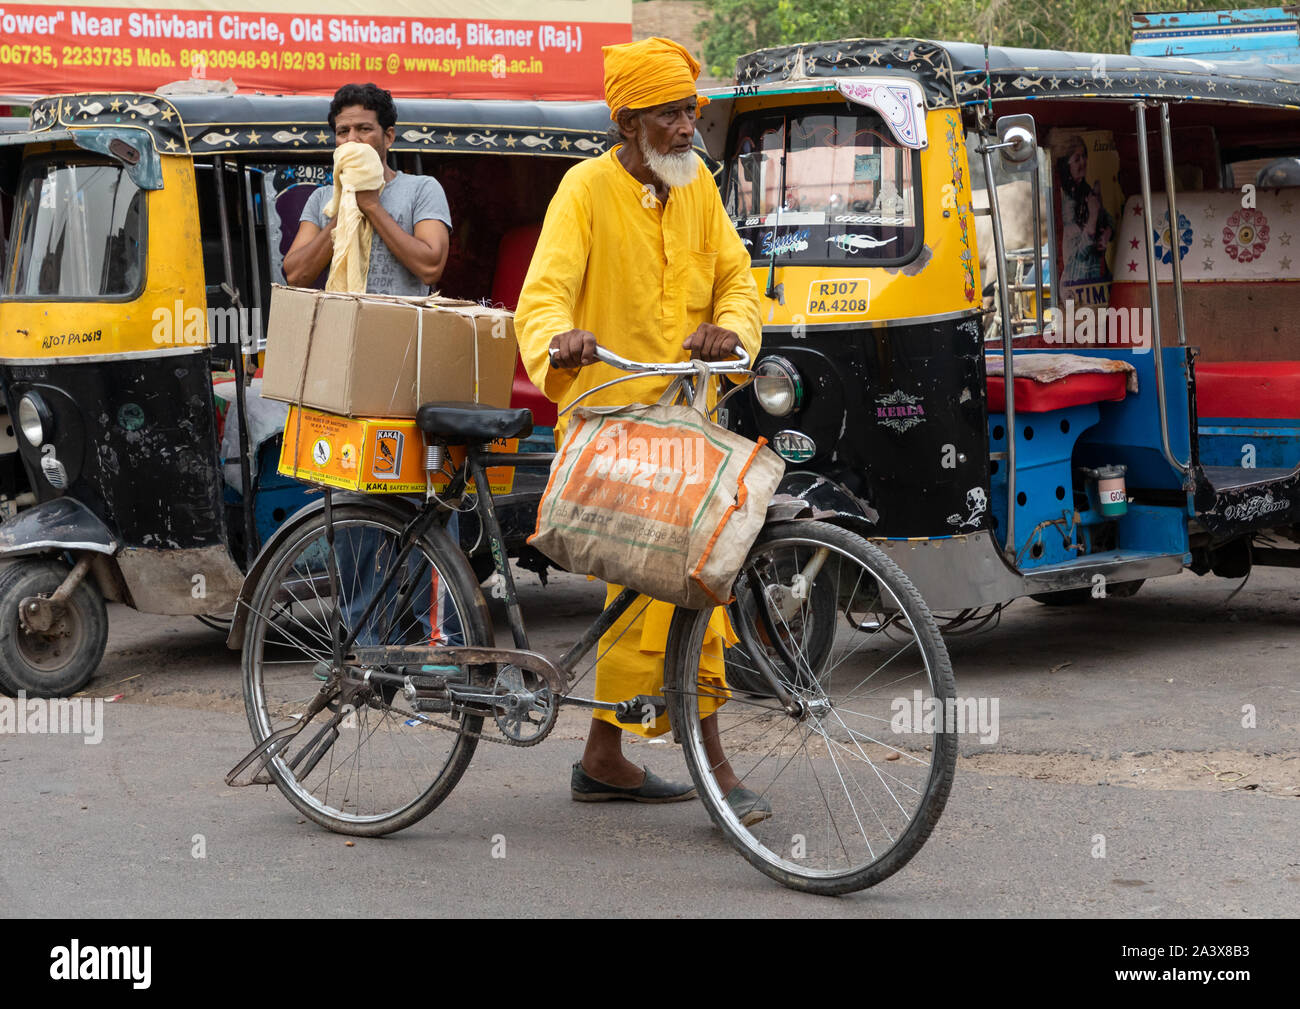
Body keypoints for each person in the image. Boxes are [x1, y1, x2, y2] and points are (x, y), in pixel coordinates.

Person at [514, 37, 767, 821]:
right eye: (669, 115)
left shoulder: (701, 189)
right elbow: (543, 294)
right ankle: (718, 770)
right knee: (682, 584)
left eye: (690, 111)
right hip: (612, 423)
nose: (687, 127)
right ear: (628, 122)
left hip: (686, 420)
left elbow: (737, 279)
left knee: (671, 588)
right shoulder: (584, 190)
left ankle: (601, 756)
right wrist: (560, 337)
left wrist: (731, 329)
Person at [283, 82, 451, 293]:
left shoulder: (422, 189)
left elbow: (430, 268)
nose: (352, 140)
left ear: (388, 137)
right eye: (343, 131)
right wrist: (346, 209)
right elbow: (295, 277)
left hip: (399, 325)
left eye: (364, 129)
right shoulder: (321, 198)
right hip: (341, 323)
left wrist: (370, 204)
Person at [1056, 134, 1114, 287]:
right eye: (1077, 159)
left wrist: (1107, 232)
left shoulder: (1087, 192)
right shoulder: (1065, 202)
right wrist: (1093, 217)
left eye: (1084, 156)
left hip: (1098, 277)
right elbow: (1079, 253)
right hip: (1078, 281)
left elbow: (1111, 222)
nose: (1083, 162)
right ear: (1066, 166)